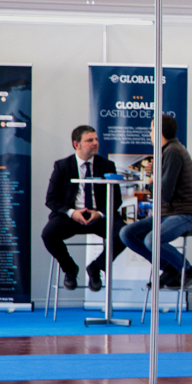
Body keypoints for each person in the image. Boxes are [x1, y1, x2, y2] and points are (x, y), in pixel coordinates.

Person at [119, 115, 192, 289]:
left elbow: (163, 193)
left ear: (159, 132)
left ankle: (188, 271)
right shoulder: (167, 152)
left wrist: (150, 184)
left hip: (184, 215)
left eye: (151, 129)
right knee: (127, 233)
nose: (150, 133)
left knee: (152, 240)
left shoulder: (172, 152)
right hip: (168, 214)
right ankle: (169, 268)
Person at [42, 125, 126, 292]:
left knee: (124, 234)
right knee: (48, 235)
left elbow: (116, 199)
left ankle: (96, 268)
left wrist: (100, 213)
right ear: (77, 144)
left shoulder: (107, 165)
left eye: (96, 139)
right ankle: (70, 269)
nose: (95, 143)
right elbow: (51, 199)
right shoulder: (62, 166)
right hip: (70, 216)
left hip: (99, 216)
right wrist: (72, 213)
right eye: (89, 140)